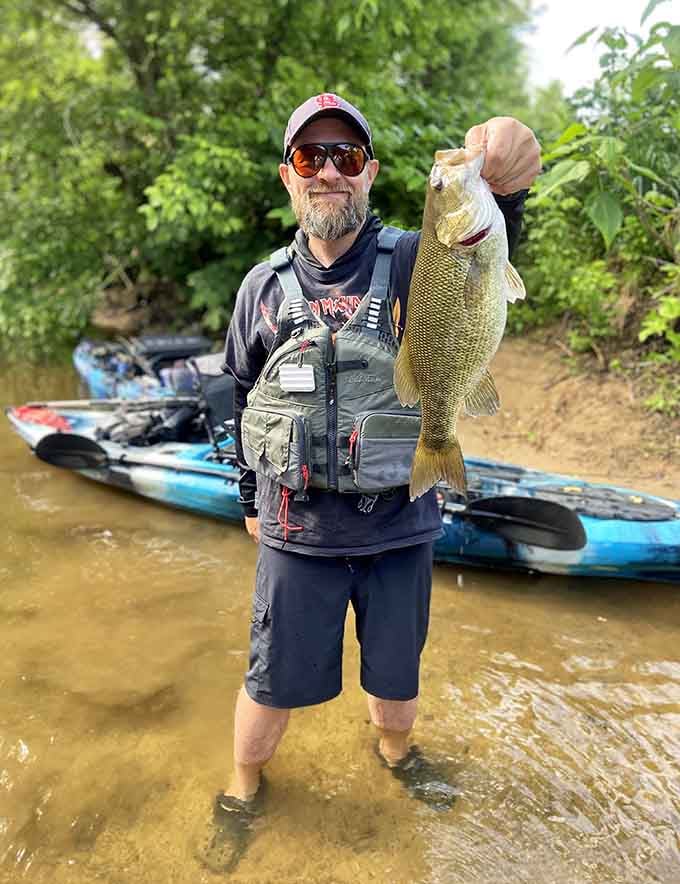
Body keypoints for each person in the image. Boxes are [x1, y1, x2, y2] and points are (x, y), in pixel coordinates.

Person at [203, 93, 540, 870]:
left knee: (396, 677)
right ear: (288, 176)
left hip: (400, 521)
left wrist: (509, 179)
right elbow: (235, 395)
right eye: (310, 156)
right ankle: (242, 785)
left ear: (370, 173)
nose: (328, 171)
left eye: (346, 156)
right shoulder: (260, 287)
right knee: (269, 685)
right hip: (296, 529)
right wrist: (249, 499)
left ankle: (397, 756)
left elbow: (487, 252)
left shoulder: (419, 259)